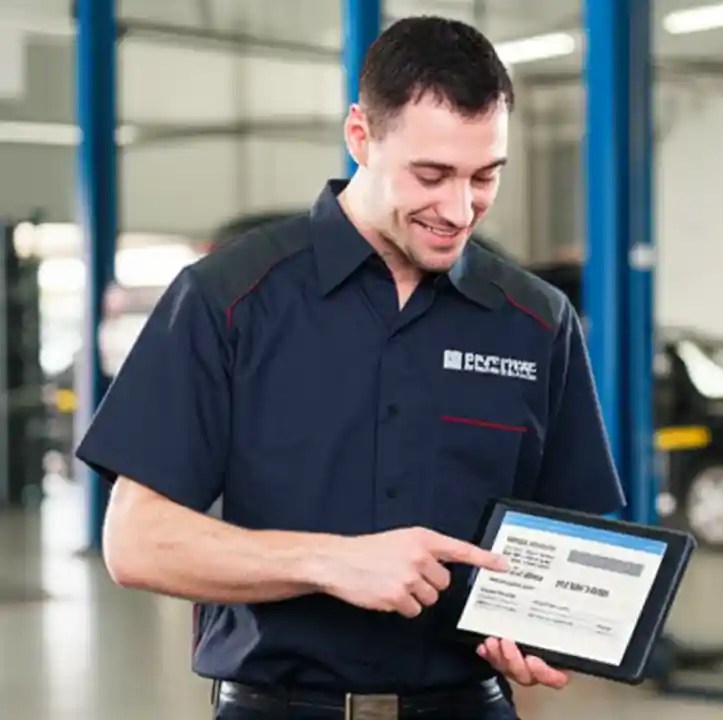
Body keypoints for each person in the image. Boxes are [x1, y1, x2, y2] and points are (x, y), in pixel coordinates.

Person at [75, 15, 625, 720]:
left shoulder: (537, 321)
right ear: (361, 135)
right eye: (431, 175)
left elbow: (568, 545)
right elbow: (136, 543)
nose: (459, 209)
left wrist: (545, 630)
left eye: (485, 176)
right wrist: (332, 562)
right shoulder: (229, 299)